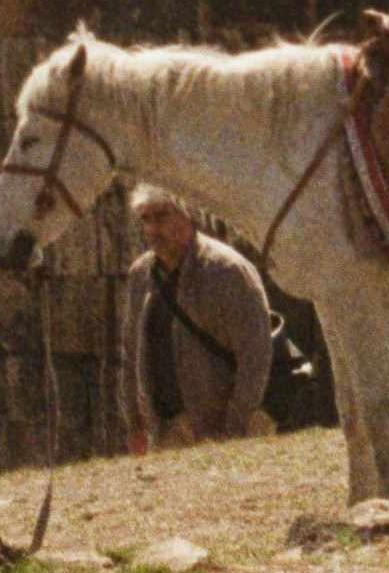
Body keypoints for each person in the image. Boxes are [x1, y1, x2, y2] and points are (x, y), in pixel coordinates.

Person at [109, 188, 281, 454]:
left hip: (224, 429)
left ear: (189, 214)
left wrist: (234, 426)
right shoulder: (141, 275)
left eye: (162, 216)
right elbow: (132, 353)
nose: (153, 228)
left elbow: (255, 356)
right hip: (165, 430)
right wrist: (135, 422)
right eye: (146, 219)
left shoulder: (227, 271)